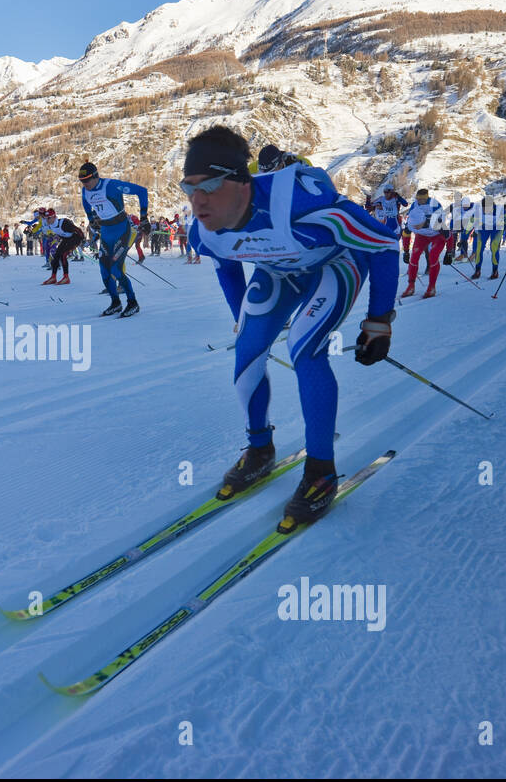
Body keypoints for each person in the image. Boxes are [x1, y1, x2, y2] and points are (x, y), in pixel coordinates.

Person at [181, 130, 399, 532]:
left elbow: (383, 244)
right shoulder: (204, 230)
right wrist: (241, 316)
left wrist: (379, 320)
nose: (199, 200)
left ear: (242, 183)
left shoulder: (304, 204)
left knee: (304, 347)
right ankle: (260, 448)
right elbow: (226, 264)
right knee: (246, 350)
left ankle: (320, 471)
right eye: (189, 187)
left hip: (335, 264)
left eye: (210, 186)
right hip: (280, 270)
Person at [79, 160, 149, 317]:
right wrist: (91, 219)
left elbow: (142, 191)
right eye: (82, 181)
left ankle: (133, 303)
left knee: (116, 269)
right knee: (104, 270)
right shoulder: (85, 191)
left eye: (87, 180)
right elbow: (85, 203)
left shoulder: (111, 185)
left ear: (96, 176)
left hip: (122, 229)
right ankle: (115, 303)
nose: (85, 184)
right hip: (106, 232)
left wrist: (143, 217)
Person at [399, 189, 445, 298]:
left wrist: (449, 250)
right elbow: (407, 230)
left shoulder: (435, 204)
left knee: (433, 256)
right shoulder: (415, 205)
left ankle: (432, 287)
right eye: (418, 199)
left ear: (427, 197)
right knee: (414, 257)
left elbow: (441, 225)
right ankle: (411, 286)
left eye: (423, 199)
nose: (420, 201)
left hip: (435, 234)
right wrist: (406, 251)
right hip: (422, 235)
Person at [35, 208, 85, 285]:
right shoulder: (51, 225)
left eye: (49, 218)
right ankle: (53, 277)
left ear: (54, 217)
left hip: (75, 238)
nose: (47, 220)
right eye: (46, 218)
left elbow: (78, 230)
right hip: (66, 239)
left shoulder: (63, 223)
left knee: (63, 255)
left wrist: (83, 240)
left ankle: (66, 277)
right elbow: (51, 232)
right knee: (56, 256)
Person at [374, 185, 409, 262]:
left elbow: (406, 204)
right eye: (385, 192)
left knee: (395, 243)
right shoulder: (381, 199)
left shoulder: (396, 199)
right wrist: (369, 200)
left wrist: (399, 197)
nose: (386, 194)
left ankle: (404, 254)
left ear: (392, 192)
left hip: (396, 223)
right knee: (385, 243)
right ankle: (386, 260)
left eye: (388, 192)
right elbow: (370, 205)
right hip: (387, 222)